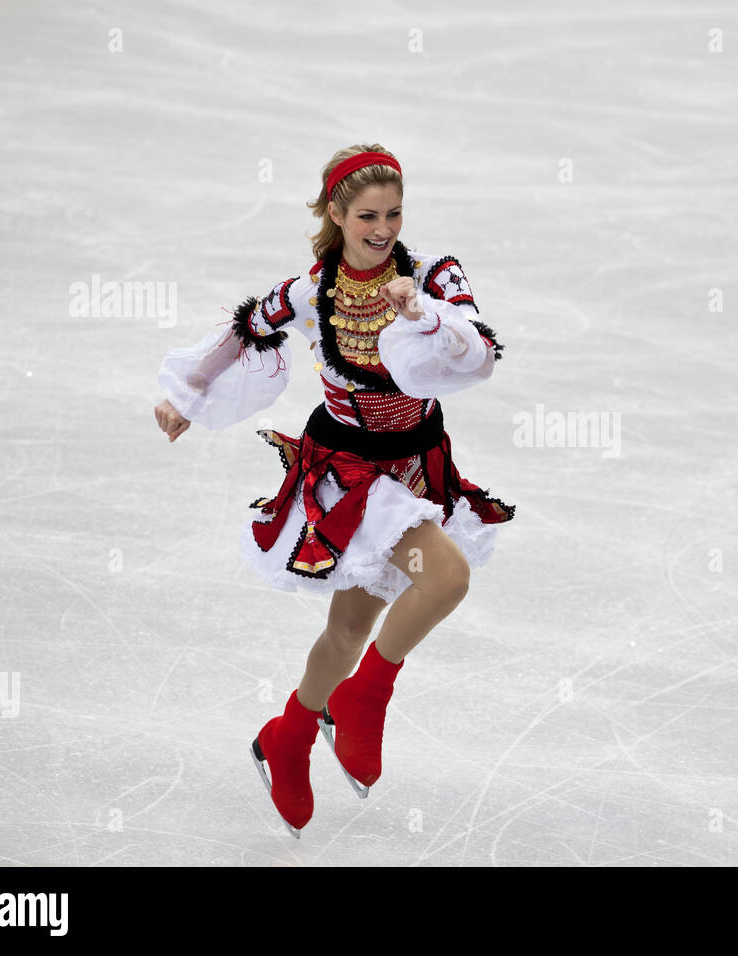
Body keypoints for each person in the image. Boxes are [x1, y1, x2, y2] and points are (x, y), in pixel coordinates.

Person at [153, 145, 514, 833]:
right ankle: (345, 707)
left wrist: (420, 315)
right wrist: (186, 398)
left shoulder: (435, 275)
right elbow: (243, 331)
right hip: (348, 474)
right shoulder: (309, 291)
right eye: (368, 215)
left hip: (415, 465)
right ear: (337, 216)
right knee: (395, 605)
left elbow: (478, 353)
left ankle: (292, 730)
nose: (383, 227)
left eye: (395, 213)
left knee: (372, 618)